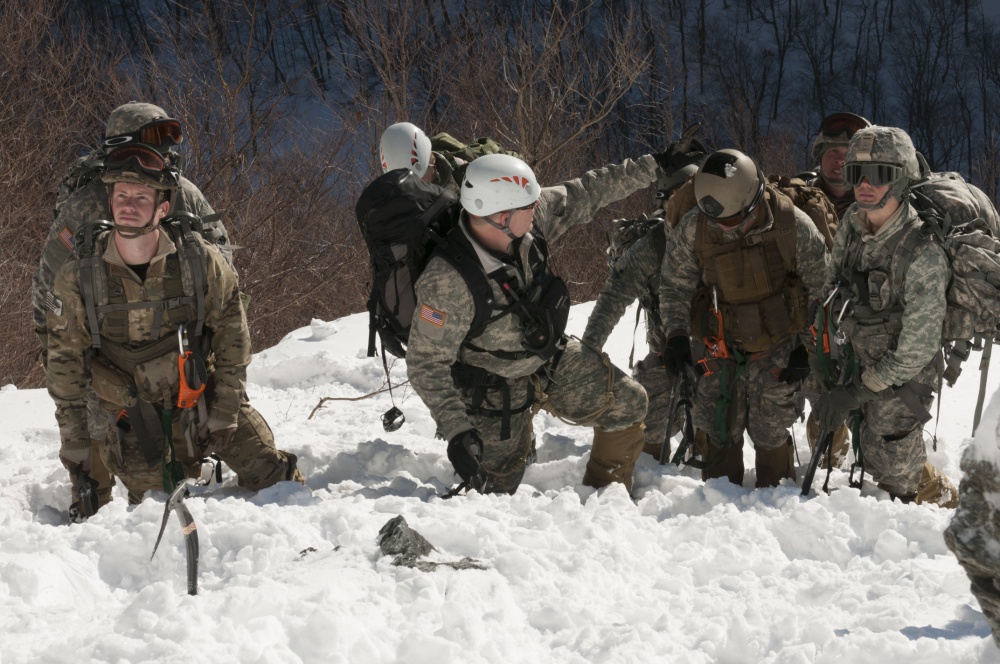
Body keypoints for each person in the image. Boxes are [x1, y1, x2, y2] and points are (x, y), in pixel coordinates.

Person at [406, 147, 699, 495]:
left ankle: (605, 500)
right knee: (495, 488)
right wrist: (457, 430)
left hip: (547, 357)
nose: (537, 207)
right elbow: (425, 363)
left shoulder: (529, 222)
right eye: (528, 206)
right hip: (491, 386)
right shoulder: (446, 282)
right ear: (500, 216)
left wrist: (655, 165)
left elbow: (587, 190)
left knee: (629, 401)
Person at [45, 142, 302, 511]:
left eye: (141, 197)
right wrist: (74, 440)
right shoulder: (80, 276)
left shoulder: (199, 261)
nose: (129, 205)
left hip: (201, 399)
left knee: (279, 482)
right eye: (121, 196)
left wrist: (225, 411)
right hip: (131, 419)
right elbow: (64, 364)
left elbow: (233, 338)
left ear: (163, 208)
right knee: (154, 509)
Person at [33, 102, 230, 517]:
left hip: (169, 352)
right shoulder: (86, 205)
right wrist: (52, 348)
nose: (162, 152)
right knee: (92, 453)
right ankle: (88, 526)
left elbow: (223, 266)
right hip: (100, 355)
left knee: (159, 458)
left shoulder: (181, 192)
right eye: (152, 139)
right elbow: (50, 285)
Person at [658, 149, 830, 487]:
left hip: (779, 344)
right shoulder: (696, 227)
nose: (725, 230)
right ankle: (719, 506)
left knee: (771, 427)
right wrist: (676, 335)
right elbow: (673, 285)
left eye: (734, 221)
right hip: (718, 342)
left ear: (753, 201)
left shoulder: (792, 225)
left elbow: (823, 292)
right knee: (719, 425)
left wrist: (808, 351)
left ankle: (778, 503)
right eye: (718, 223)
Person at [812, 125, 957, 507]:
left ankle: (940, 498)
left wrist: (858, 391)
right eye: (855, 174)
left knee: (893, 464)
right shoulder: (853, 225)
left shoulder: (921, 251)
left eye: (878, 175)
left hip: (901, 371)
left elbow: (916, 350)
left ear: (900, 179)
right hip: (855, 347)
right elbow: (830, 288)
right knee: (816, 398)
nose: (864, 185)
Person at [582, 158, 703, 461]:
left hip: (717, 357)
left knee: (717, 439)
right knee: (643, 433)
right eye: (680, 195)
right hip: (666, 359)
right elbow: (615, 294)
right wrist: (588, 351)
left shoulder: (722, 231)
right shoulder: (654, 244)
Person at [805, 112, 872, 218]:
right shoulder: (798, 198)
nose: (841, 160)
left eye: (849, 154)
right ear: (819, 157)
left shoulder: (878, 207)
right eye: (833, 151)